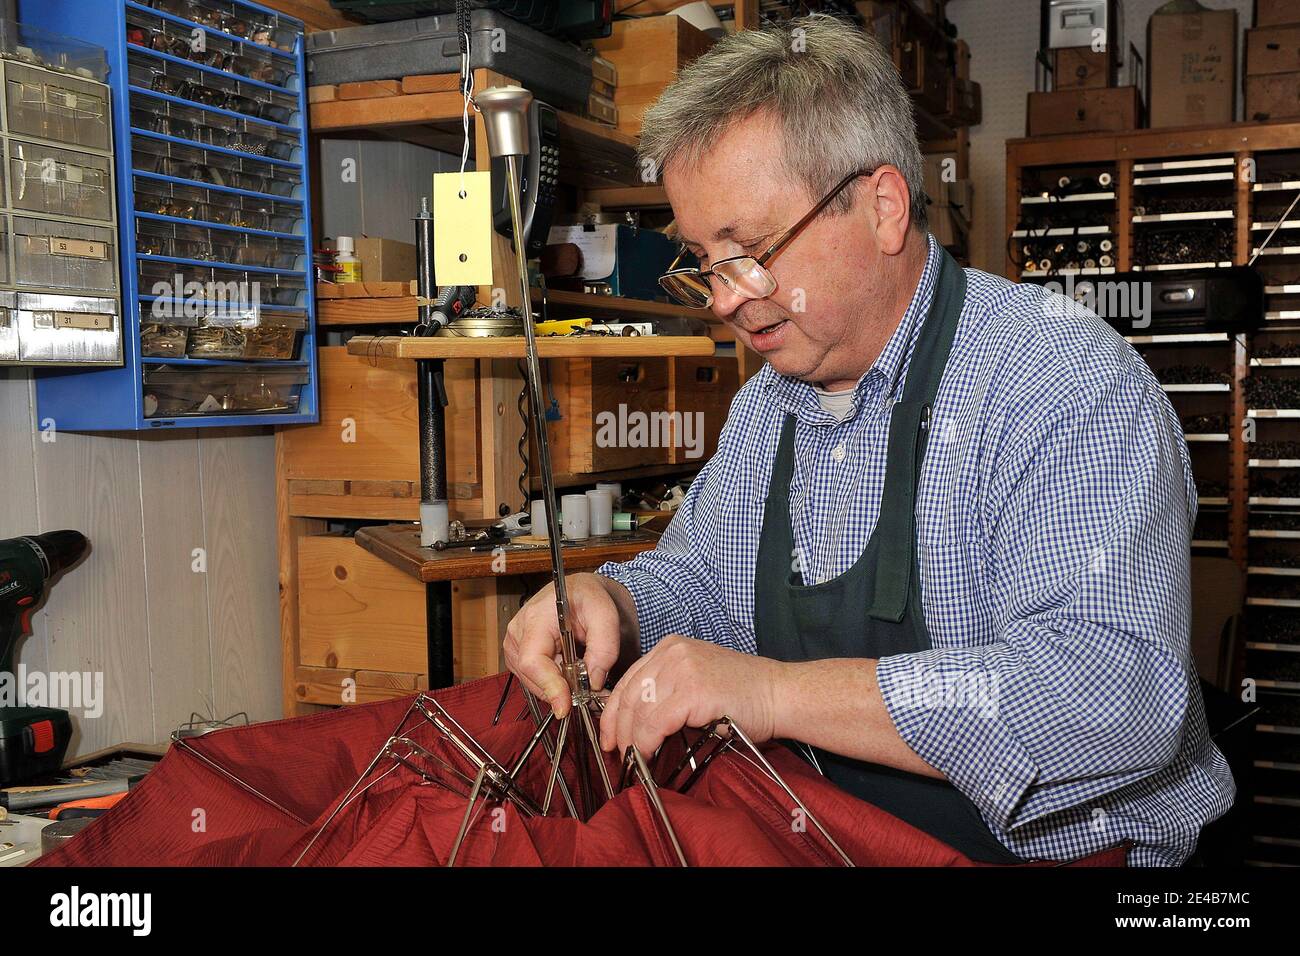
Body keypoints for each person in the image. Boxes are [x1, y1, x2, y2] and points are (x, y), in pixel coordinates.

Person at [504, 14, 1233, 865]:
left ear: (883, 207)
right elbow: (704, 583)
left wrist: (774, 694)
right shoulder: (769, 405)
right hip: (831, 839)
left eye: (749, 250)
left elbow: (1113, 697)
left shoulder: (1060, 382)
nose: (725, 299)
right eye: (704, 260)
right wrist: (617, 604)